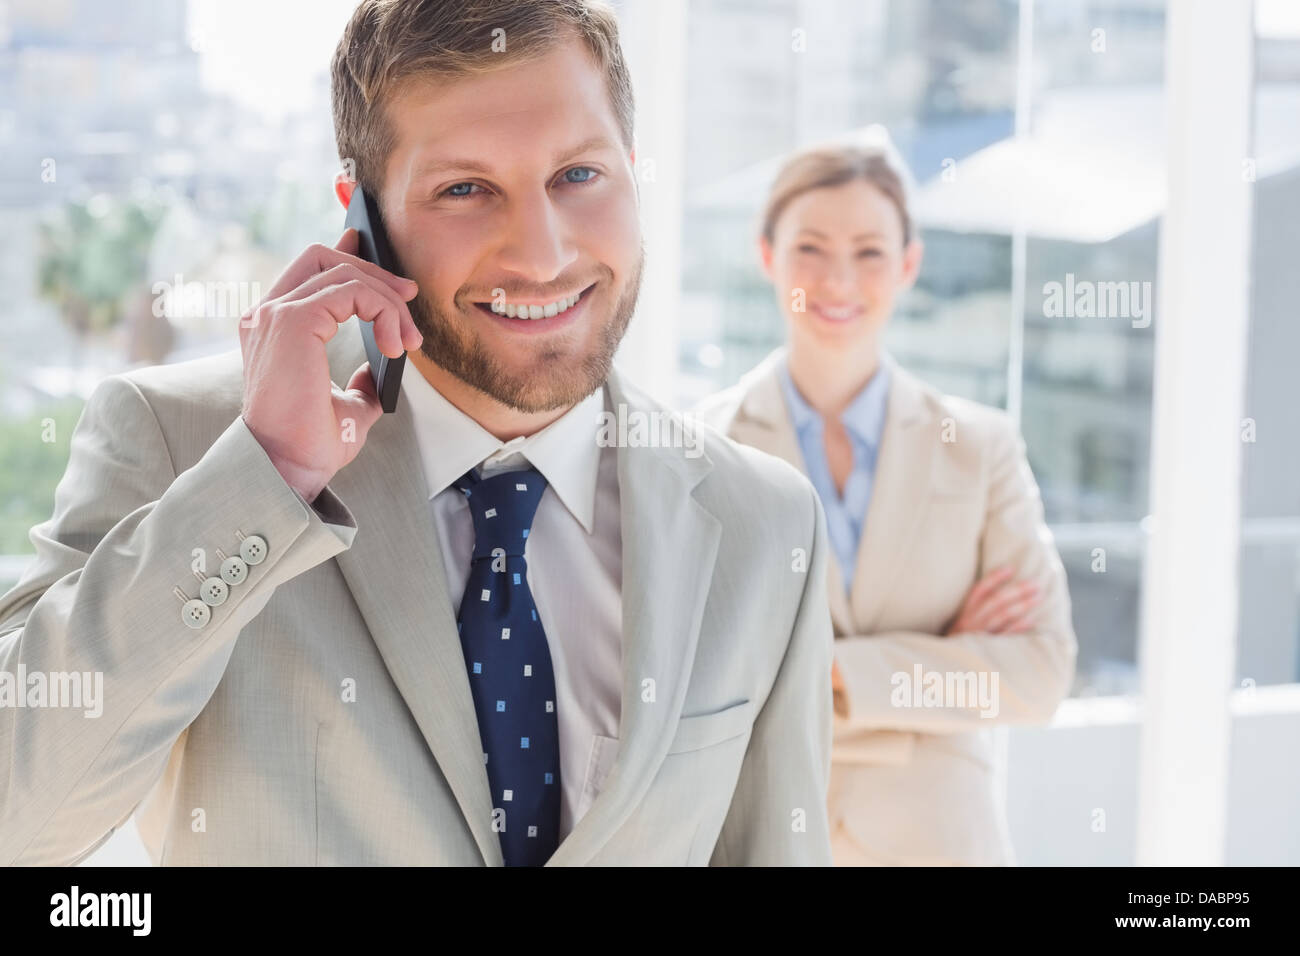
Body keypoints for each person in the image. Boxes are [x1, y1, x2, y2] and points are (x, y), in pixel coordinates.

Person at [0, 0, 834, 867]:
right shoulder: (181, 441)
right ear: (363, 219)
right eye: (464, 190)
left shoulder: (764, 521)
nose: (542, 256)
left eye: (579, 176)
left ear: (632, 167)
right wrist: (267, 477)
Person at [696, 136, 1077, 866]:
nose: (839, 278)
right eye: (811, 246)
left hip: (939, 844)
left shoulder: (981, 448)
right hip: (759, 838)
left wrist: (827, 674)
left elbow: (1039, 673)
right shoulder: (701, 448)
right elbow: (692, 681)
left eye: (870, 251)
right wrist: (942, 664)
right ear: (768, 256)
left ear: (908, 265)